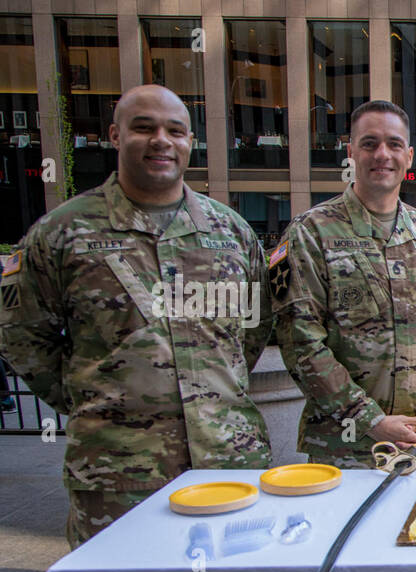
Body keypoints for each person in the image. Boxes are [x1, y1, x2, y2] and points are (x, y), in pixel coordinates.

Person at [0, 84, 273, 546]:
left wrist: (211, 388)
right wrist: (95, 396)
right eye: (143, 128)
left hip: (228, 460)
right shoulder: (63, 232)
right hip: (117, 472)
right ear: (114, 134)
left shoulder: (231, 232)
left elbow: (253, 327)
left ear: (190, 141)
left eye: (175, 130)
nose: (161, 141)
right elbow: (24, 336)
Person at [272, 100, 416, 468]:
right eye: (369, 143)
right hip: (345, 449)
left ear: (409, 156)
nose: (383, 154)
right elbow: (301, 344)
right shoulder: (311, 233)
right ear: (351, 152)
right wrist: (370, 420)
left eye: (394, 144)